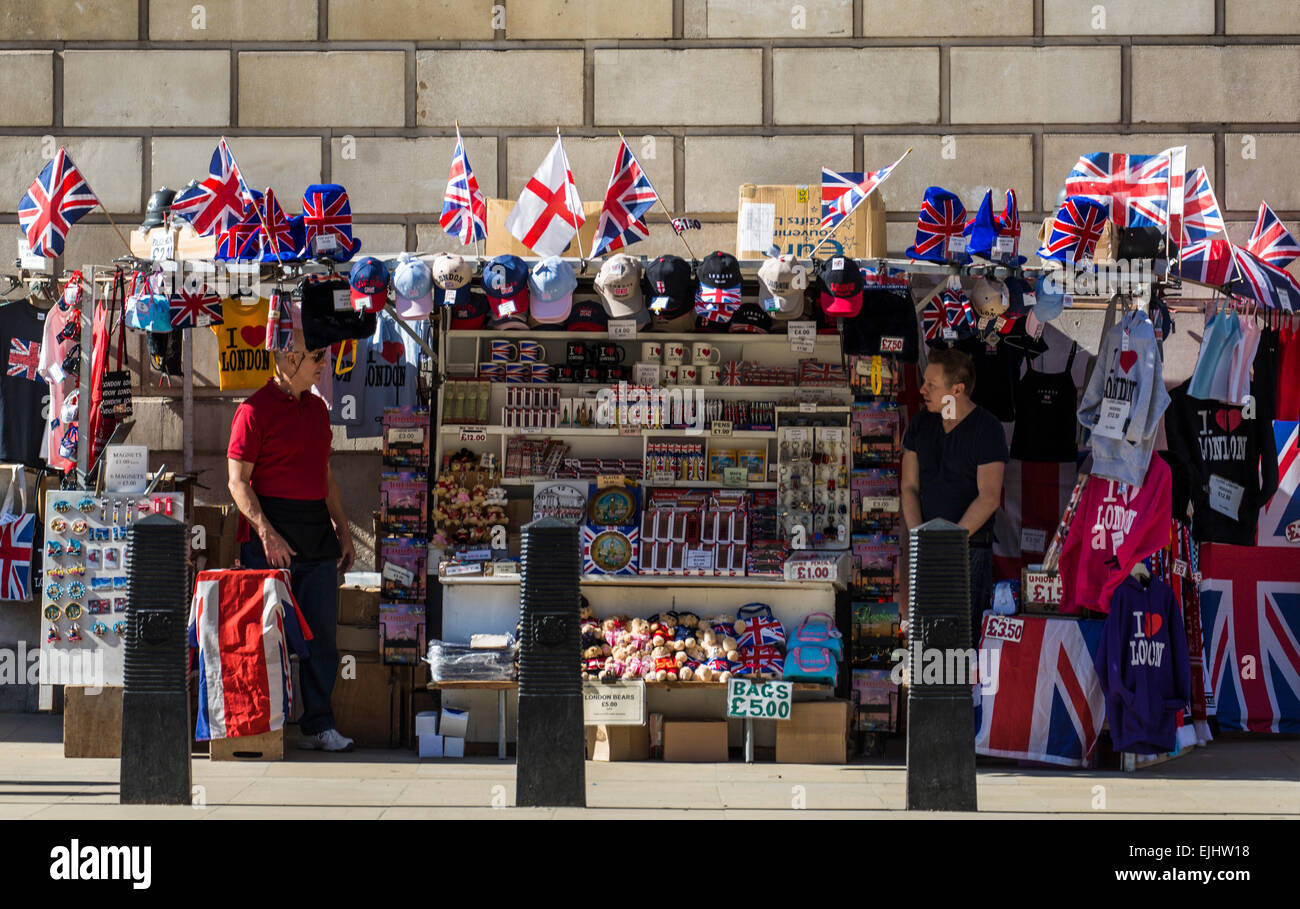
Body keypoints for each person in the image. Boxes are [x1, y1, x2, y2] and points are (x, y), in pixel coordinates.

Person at [227, 335, 356, 752]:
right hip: (270, 538)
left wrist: (344, 528)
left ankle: (319, 725)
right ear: (289, 357)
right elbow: (237, 483)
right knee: (264, 642)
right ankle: (266, 726)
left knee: (322, 641)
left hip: (316, 534)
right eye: (317, 356)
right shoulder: (252, 411)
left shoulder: (319, 409)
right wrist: (266, 532)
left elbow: (327, 477)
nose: (324, 363)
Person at [901, 348, 1008, 647]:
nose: (922, 390)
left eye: (931, 385)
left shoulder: (987, 429)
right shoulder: (921, 425)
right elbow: (908, 486)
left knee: (961, 646)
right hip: (924, 548)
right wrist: (919, 537)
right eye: (924, 382)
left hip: (968, 550)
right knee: (926, 644)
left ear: (957, 389)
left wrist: (949, 543)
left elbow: (989, 497)